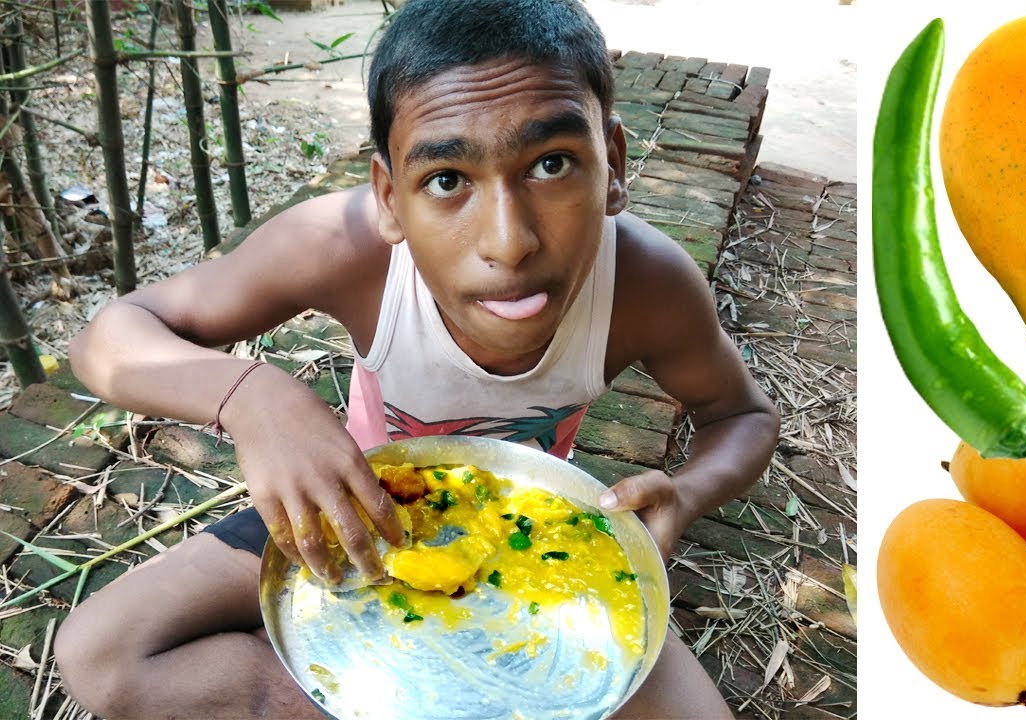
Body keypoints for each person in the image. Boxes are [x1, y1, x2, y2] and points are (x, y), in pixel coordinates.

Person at [53, 0, 779, 717]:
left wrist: (688, 493)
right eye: (446, 180)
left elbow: (742, 415)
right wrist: (252, 397)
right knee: (103, 657)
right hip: (359, 510)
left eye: (552, 164)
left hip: (545, 532)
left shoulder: (648, 287)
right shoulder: (343, 250)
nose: (509, 241)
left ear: (613, 164)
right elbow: (106, 338)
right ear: (388, 197)